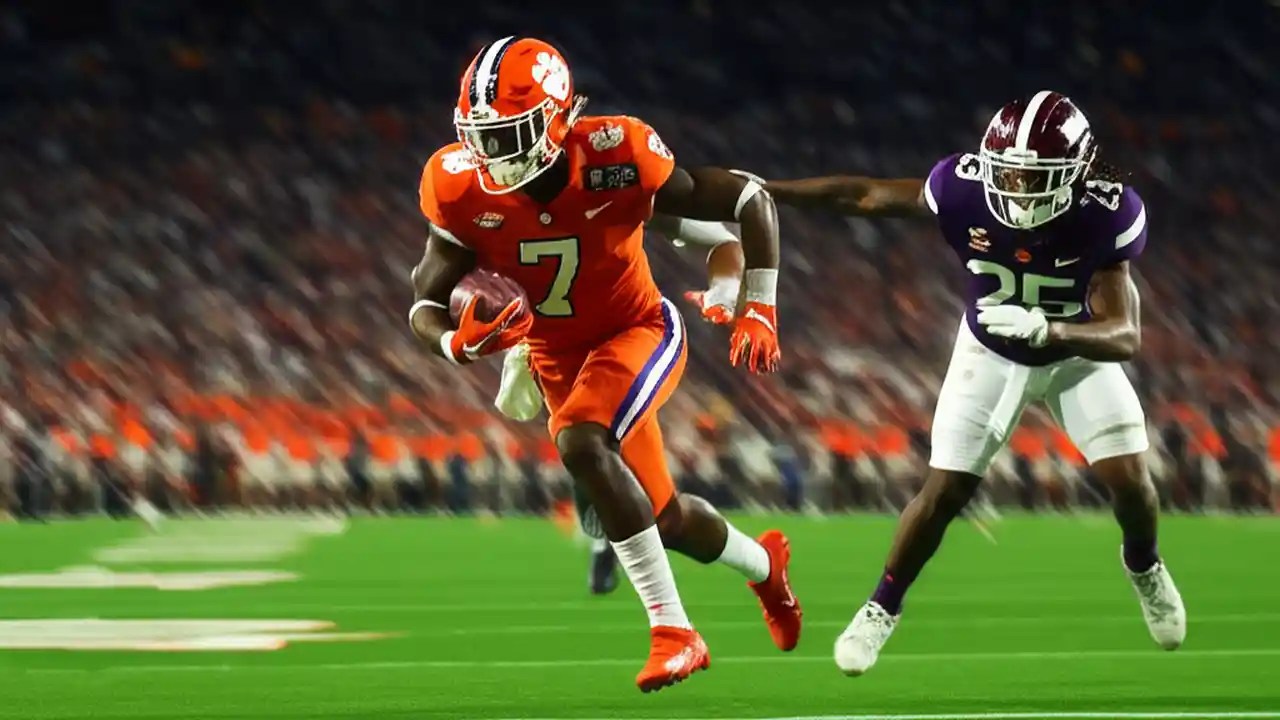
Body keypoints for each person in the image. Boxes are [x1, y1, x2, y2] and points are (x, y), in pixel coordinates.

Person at [408, 37, 801, 692]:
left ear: (558, 119)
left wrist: (755, 304)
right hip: (556, 357)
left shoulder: (618, 156)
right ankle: (767, 569)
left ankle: (675, 631)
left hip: (637, 330)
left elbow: (746, 203)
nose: (492, 154)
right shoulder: (455, 184)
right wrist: (454, 342)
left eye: (511, 134)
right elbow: (424, 297)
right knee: (665, 519)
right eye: (482, 136)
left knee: (583, 441)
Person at [764, 91, 1185, 675]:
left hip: (1074, 354)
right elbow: (862, 194)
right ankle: (880, 608)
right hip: (991, 352)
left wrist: (1051, 330)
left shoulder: (1106, 214)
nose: (1015, 189)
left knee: (1133, 484)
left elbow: (1125, 335)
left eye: (1033, 178)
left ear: (1076, 175)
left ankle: (1143, 564)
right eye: (1007, 173)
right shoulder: (963, 189)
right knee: (944, 492)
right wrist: (769, 191)